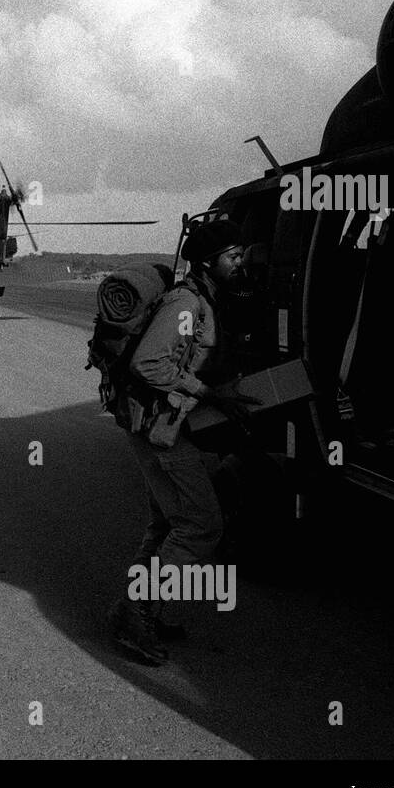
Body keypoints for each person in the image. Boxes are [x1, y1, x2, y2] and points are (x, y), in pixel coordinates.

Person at [107, 219, 260, 666]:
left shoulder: (204, 299)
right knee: (200, 525)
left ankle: (143, 611)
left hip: (162, 426)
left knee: (168, 524)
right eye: (233, 257)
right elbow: (148, 365)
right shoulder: (186, 303)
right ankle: (139, 615)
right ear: (210, 262)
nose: (240, 264)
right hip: (160, 430)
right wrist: (208, 393)